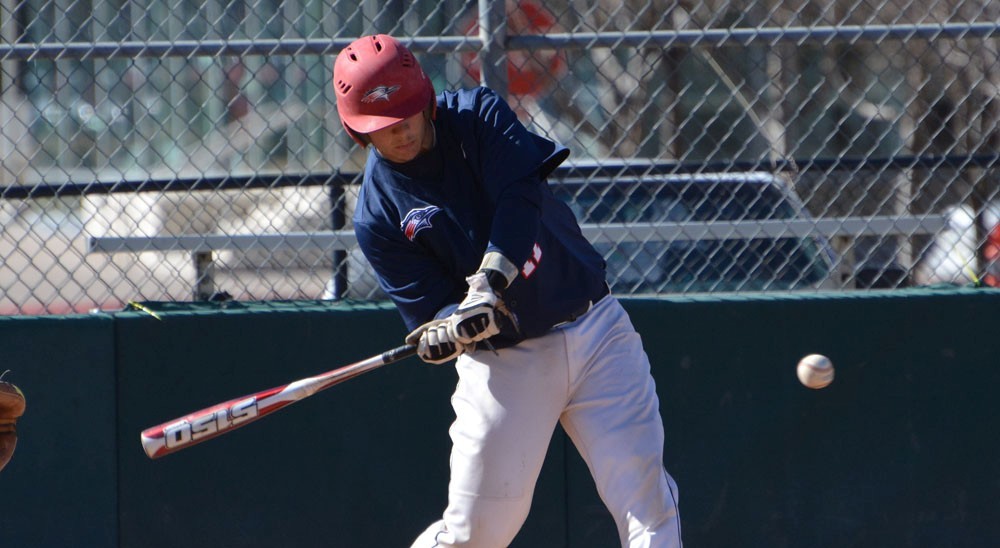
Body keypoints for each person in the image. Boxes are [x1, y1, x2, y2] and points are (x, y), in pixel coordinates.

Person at [333, 34, 682, 547]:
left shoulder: (478, 115)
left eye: (407, 112)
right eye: (383, 126)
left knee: (645, 502)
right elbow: (431, 308)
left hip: (595, 329)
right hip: (505, 365)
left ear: (425, 98)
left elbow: (520, 200)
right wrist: (447, 328)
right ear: (357, 131)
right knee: (475, 535)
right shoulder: (377, 214)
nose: (401, 130)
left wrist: (488, 286)